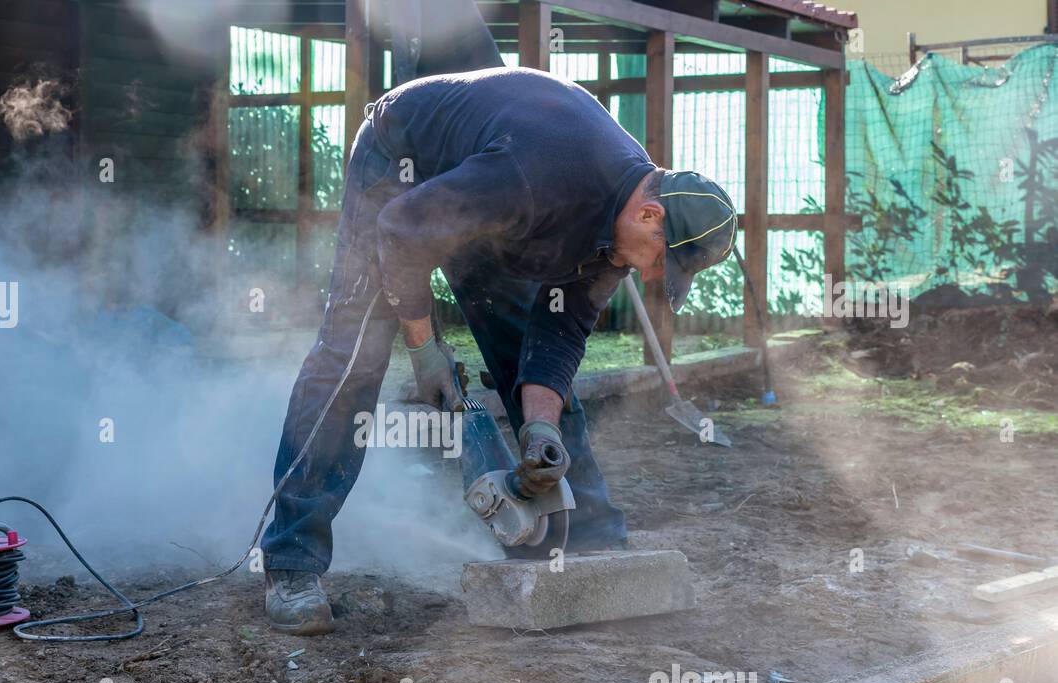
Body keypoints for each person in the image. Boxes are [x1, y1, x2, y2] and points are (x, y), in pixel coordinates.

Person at [261, 67, 736, 634]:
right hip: (403, 168)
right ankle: (292, 563)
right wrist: (424, 350)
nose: (652, 275)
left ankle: (587, 540)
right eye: (661, 262)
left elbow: (561, 331)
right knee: (355, 353)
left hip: (494, 211)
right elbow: (402, 229)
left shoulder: (616, 231)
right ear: (650, 216)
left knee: (525, 355)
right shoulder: (538, 174)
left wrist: (541, 430)